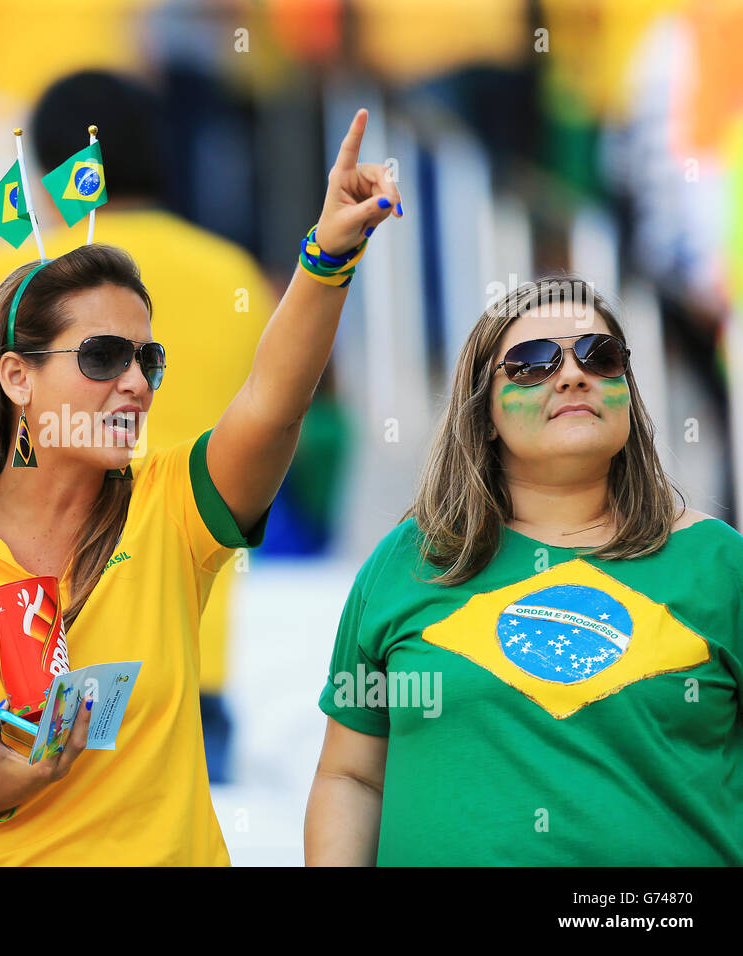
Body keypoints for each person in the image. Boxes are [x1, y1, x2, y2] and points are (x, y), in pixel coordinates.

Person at [0, 110, 402, 864]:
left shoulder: (174, 507)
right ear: (17, 377)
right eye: (102, 357)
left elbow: (273, 403)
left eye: (147, 360)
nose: (134, 383)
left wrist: (330, 254)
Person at [305, 277, 743, 866]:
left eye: (599, 356)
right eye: (533, 363)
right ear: (484, 413)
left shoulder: (719, 563)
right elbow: (352, 777)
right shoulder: (410, 561)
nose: (571, 374)